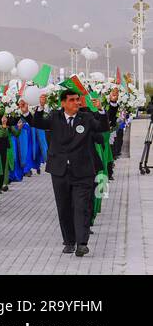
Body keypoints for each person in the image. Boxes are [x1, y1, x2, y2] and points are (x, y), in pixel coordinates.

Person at [17, 90, 109, 257]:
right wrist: (31, 110)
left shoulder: (86, 118)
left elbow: (102, 127)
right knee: (64, 207)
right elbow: (38, 123)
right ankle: (69, 241)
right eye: (72, 100)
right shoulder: (55, 117)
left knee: (82, 207)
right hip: (60, 171)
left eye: (77, 100)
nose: (77, 103)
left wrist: (101, 111)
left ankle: (82, 243)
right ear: (63, 103)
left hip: (83, 170)